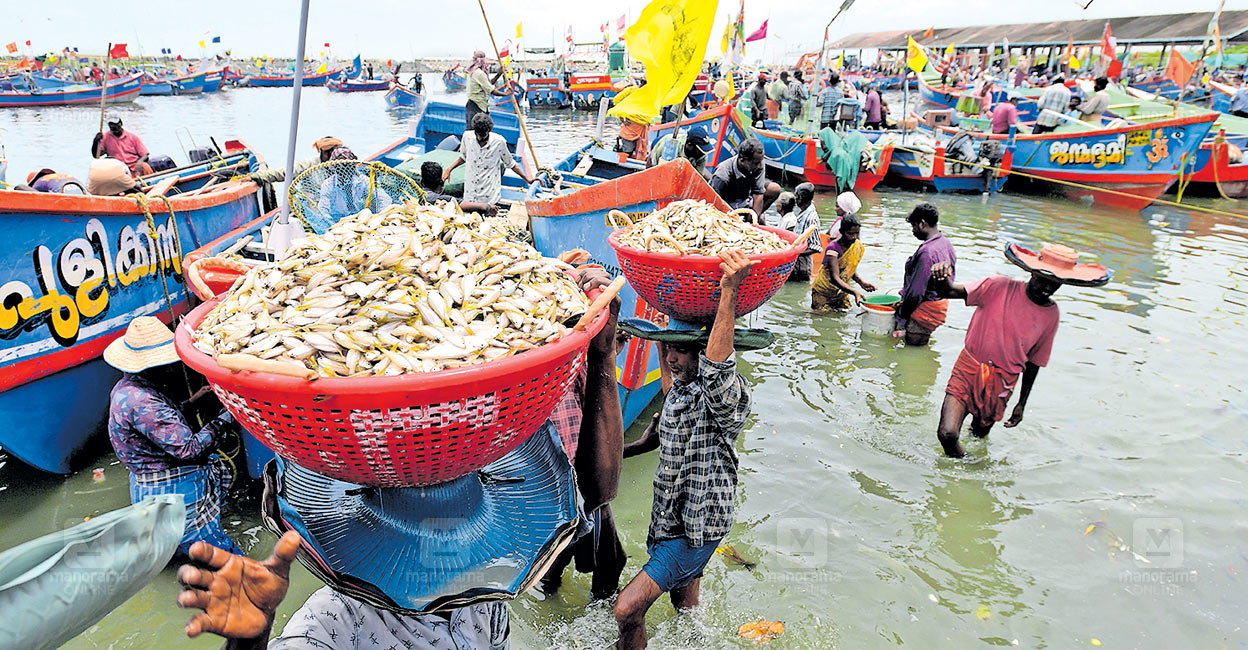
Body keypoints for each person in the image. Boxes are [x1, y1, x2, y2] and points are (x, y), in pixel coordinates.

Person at [177, 266, 625, 649]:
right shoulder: (337, 621)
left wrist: (602, 354)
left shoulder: (482, 598)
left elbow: (597, 493)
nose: (448, 560)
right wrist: (250, 637)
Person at [612, 251, 766, 650]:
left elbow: (716, 367)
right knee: (687, 609)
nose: (673, 357)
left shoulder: (728, 399)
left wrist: (729, 291)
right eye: (670, 349)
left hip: (693, 530)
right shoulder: (678, 392)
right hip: (671, 521)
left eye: (685, 349)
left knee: (627, 610)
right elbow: (669, 362)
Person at [929, 243, 1111, 457]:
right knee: (947, 434)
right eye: (1043, 280)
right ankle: (971, 467)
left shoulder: (1050, 314)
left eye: (1055, 284)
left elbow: (1034, 362)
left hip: (1003, 381)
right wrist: (940, 277)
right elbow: (949, 291)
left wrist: (1021, 404)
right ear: (1032, 273)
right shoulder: (998, 286)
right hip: (969, 367)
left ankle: (965, 473)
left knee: (979, 434)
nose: (1047, 288)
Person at [104, 317, 241, 556]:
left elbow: (155, 428)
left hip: (145, 485)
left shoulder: (127, 388)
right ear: (150, 367)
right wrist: (225, 419)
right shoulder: (144, 402)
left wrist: (192, 401)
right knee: (216, 553)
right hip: (171, 487)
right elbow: (189, 450)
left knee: (169, 544)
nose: (172, 368)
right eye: (167, 364)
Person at [895, 203, 956, 346]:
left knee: (911, 355)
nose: (913, 231)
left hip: (923, 311)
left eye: (914, 226)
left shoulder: (926, 252)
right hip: (939, 306)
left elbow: (916, 293)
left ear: (922, 224)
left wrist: (901, 315)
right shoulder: (946, 243)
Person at [443, 112, 536, 205]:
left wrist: (527, 179)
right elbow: (463, 157)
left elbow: (511, 164)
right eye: (477, 134)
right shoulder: (467, 137)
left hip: (489, 196)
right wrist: (449, 169)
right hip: (470, 194)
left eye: (483, 136)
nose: (479, 138)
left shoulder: (499, 142)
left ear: (489, 131)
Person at [810, 214, 876, 310]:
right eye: (850, 233)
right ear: (841, 231)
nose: (854, 237)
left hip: (841, 291)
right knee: (821, 317)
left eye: (857, 233)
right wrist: (854, 292)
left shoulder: (857, 246)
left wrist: (861, 282)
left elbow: (848, 269)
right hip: (823, 291)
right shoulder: (833, 249)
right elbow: (835, 278)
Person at [709, 137, 781, 222]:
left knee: (774, 189)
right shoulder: (722, 175)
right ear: (742, 161)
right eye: (756, 163)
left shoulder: (759, 164)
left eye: (760, 162)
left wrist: (754, 220)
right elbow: (712, 204)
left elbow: (758, 194)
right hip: (726, 202)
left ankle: (750, 218)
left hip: (745, 198)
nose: (759, 166)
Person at [315, 146, 394, 217]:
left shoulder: (363, 181)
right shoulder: (328, 184)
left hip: (359, 218)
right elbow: (323, 209)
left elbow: (384, 199)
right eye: (341, 167)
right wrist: (332, 224)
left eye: (348, 166)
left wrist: (380, 216)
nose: (345, 170)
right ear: (335, 167)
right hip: (338, 218)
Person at [248, 136, 344, 184]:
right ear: (322, 152)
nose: (332, 156)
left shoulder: (343, 165)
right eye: (328, 152)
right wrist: (256, 176)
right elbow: (285, 173)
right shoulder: (309, 164)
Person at [417, 160, 499, 216]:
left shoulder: (415, 195)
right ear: (440, 183)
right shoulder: (441, 199)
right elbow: (463, 205)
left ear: (422, 182)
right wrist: (488, 207)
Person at [649, 126, 714, 180]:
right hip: (657, 152)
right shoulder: (671, 148)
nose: (702, 154)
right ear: (689, 145)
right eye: (700, 150)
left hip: (683, 162)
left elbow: (697, 178)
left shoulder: (702, 154)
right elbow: (655, 169)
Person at [465, 50, 509, 130]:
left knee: (478, 130)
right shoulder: (479, 73)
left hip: (476, 105)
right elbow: (491, 91)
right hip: (477, 106)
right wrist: (506, 94)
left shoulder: (475, 72)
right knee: (477, 131)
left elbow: (488, 83)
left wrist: (499, 74)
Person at [791, 182, 822, 282]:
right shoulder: (803, 213)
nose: (795, 199)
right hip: (796, 262)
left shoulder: (811, 219)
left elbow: (816, 247)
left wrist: (795, 253)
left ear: (801, 198)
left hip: (802, 266)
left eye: (797, 196)